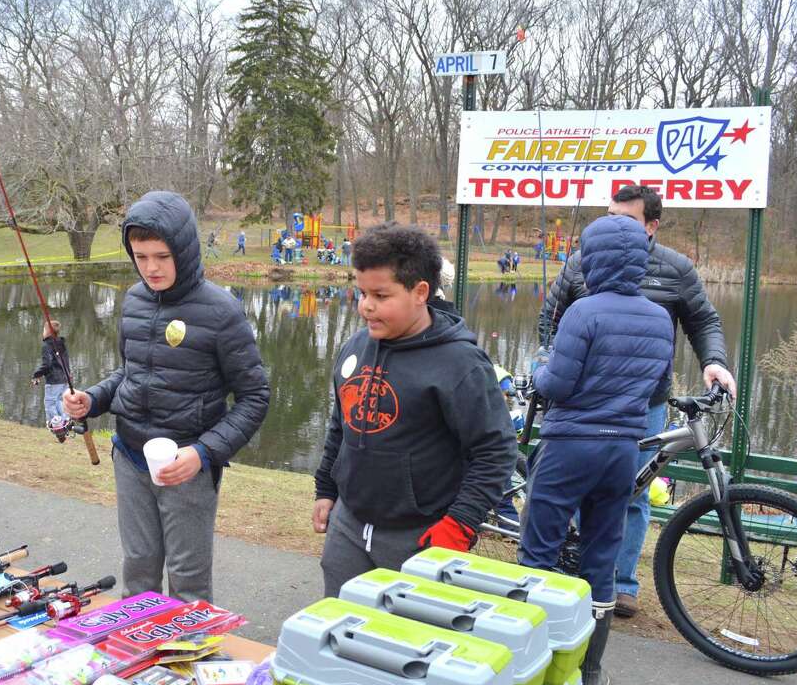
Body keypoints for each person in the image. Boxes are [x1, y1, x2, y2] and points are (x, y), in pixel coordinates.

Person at [538, 184, 735, 618]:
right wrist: (549, 363)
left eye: (625, 220)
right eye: (609, 216)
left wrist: (715, 362)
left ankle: (618, 584)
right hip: (579, 402)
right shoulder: (578, 265)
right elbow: (548, 322)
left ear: (651, 225)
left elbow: (704, 320)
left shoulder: (676, 269)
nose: (614, 226)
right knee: (567, 494)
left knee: (630, 495)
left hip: (642, 402)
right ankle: (564, 580)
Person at [63, 191, 269, 602]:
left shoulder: (221, 310)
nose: (151, 268)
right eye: (140, 257)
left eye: (161, 256)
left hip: (187, 467)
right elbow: (130, 371)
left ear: (184, 250)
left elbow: (255, 396)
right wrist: (93, 399)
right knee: (138, 567)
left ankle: (190, 657)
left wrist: (204, 453)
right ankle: (137, 658)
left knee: (187, 579)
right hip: (130, 456)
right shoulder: (135, 299)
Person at [312, 224, 516, 598]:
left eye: (380, 295)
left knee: (406, 646)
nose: (366, 306)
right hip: (349, 528)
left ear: (420, 292)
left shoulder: (460, 363)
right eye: (361, 292)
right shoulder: (356, 346)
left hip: (422, 538)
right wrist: (325, 488)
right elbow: (340, 424)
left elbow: (495, 451)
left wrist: (459, 525)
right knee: (340, 635)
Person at [521, 215, 674, 685]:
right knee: (600, 556)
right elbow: (657, 388)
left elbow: (557, 385)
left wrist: (540, 370)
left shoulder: (582, 312)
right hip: (621, 451)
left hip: (570, 446)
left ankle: (533, 664)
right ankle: (588, 674)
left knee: (539, 549)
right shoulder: (657, 318)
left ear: (593, 258)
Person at [32, 319, 69, 423]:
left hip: (54, 381)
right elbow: (66, 361)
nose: (42, 332)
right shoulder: (61, 343)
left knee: (50, 404)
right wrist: (69, 374)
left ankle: (57, 425)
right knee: (59, 402)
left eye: (44, 330)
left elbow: (47, 364)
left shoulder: (47, 345)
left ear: (48, 332)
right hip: (65, 379)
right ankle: (65, 421)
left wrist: (36, 375)